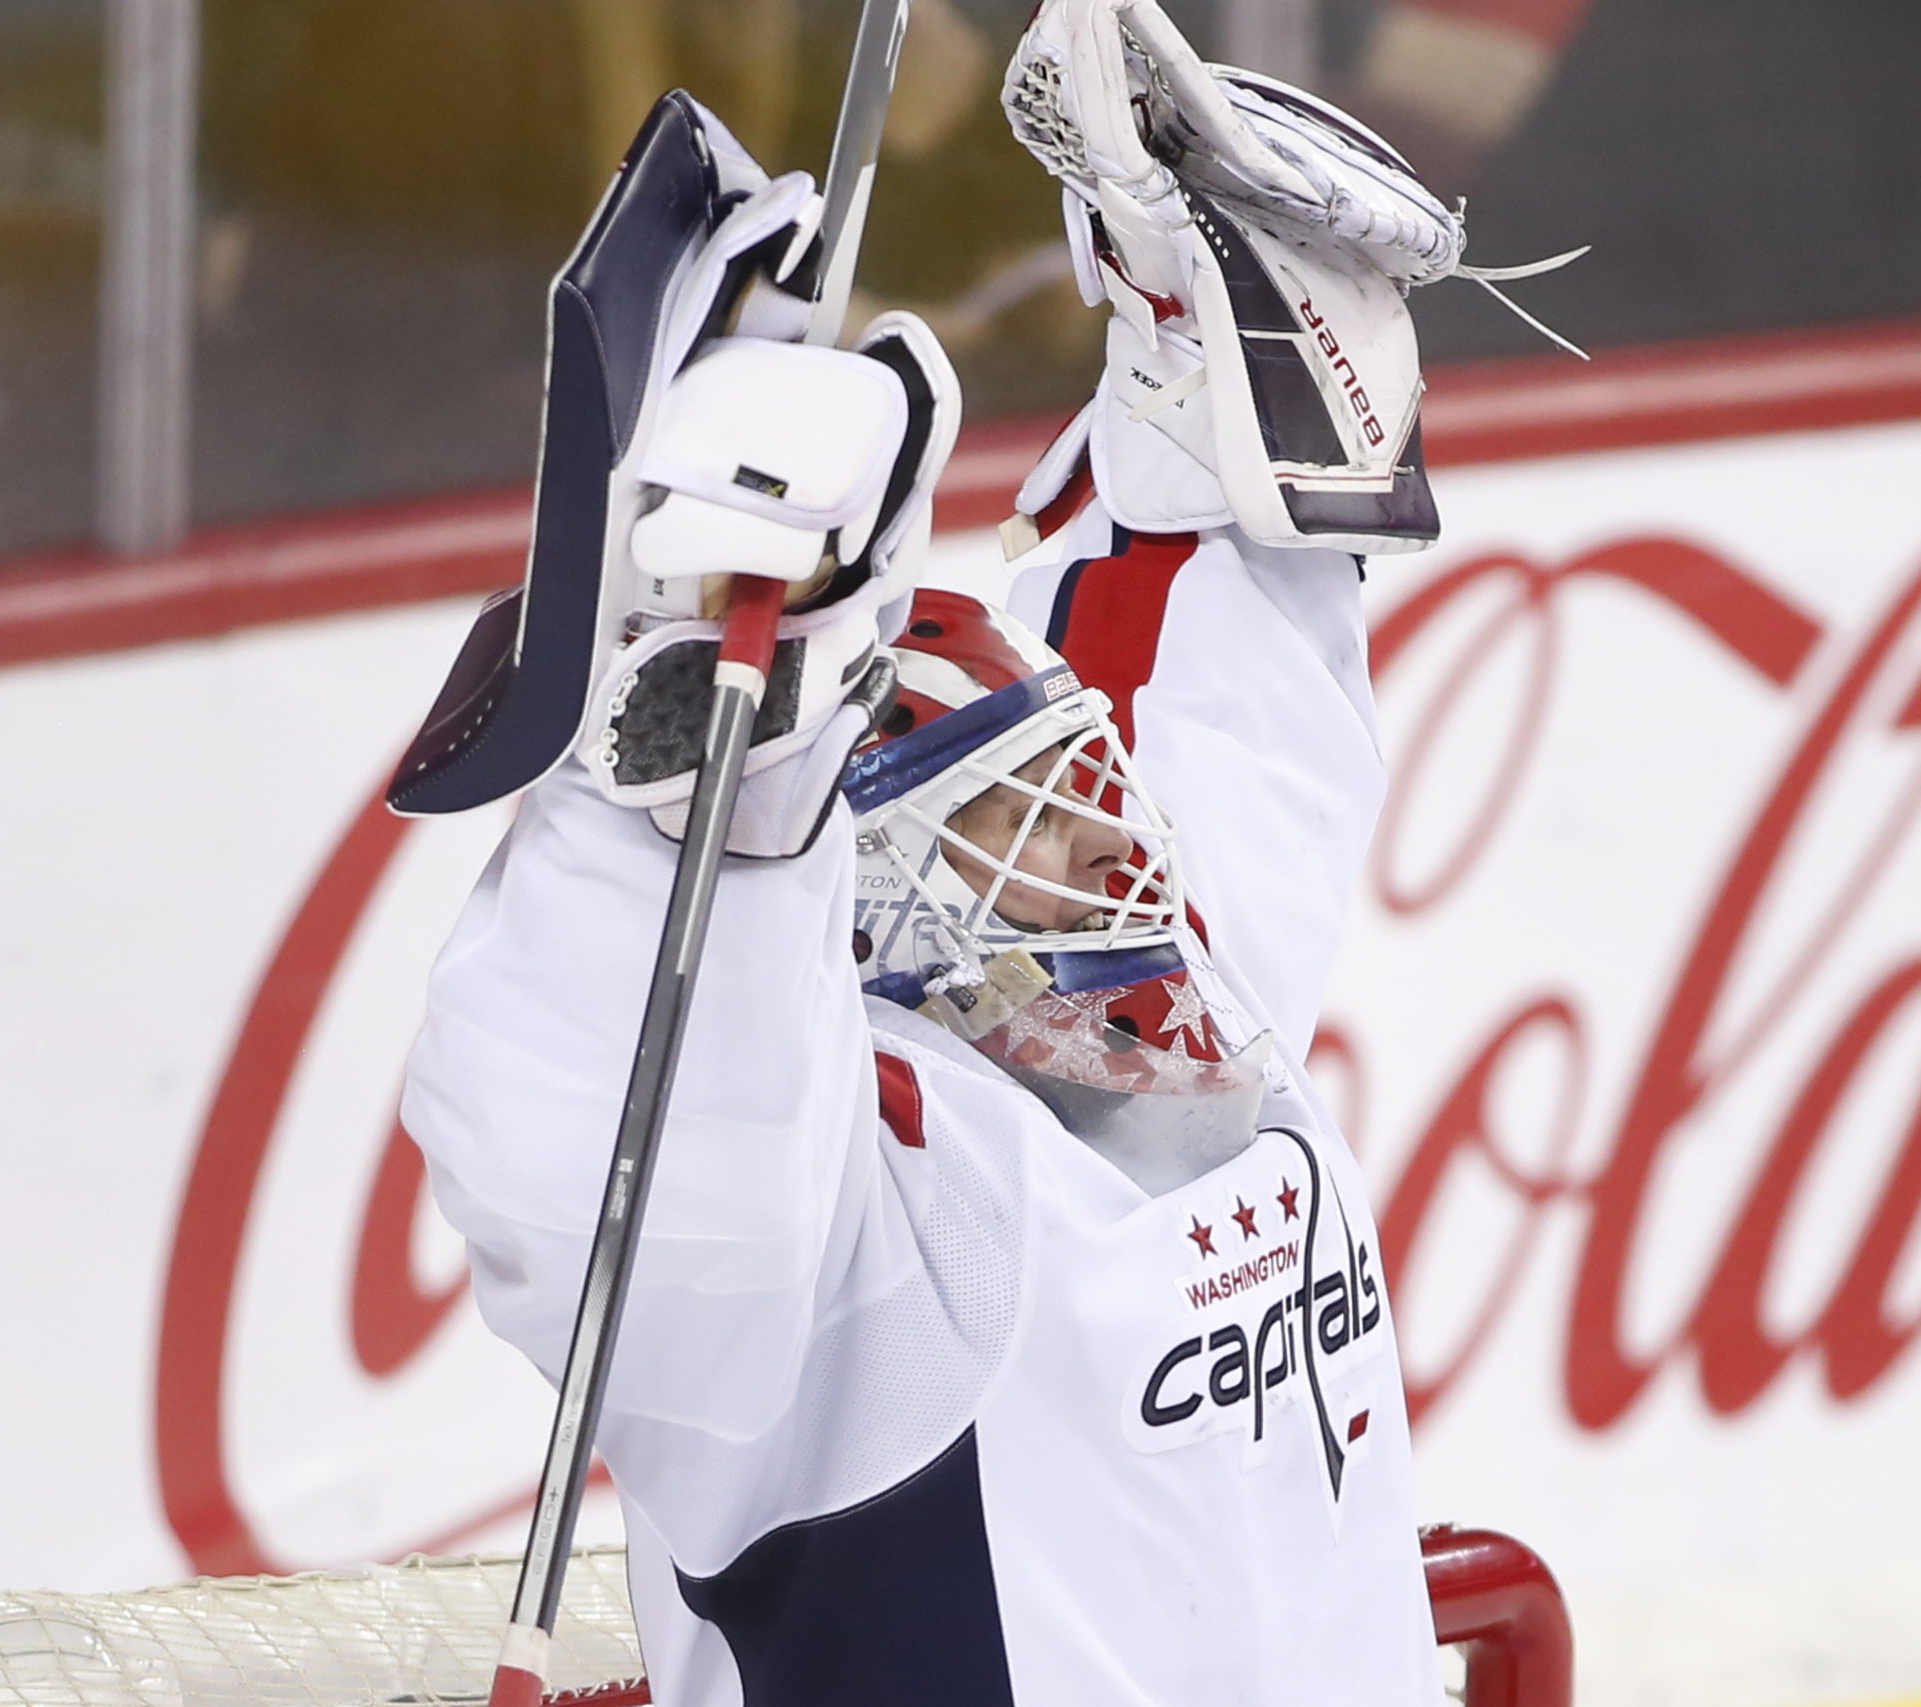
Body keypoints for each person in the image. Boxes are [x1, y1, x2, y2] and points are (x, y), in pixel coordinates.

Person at [399, 2, 1483, 1701]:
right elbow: (612, 1130)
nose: (1110, 836)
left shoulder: (1180, 1007)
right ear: (866, 921)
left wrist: (1230, 351)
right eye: (1017, 812)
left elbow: (1215, 674)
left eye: (1073, 775)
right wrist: (695, 784)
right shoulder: (864, 1269)